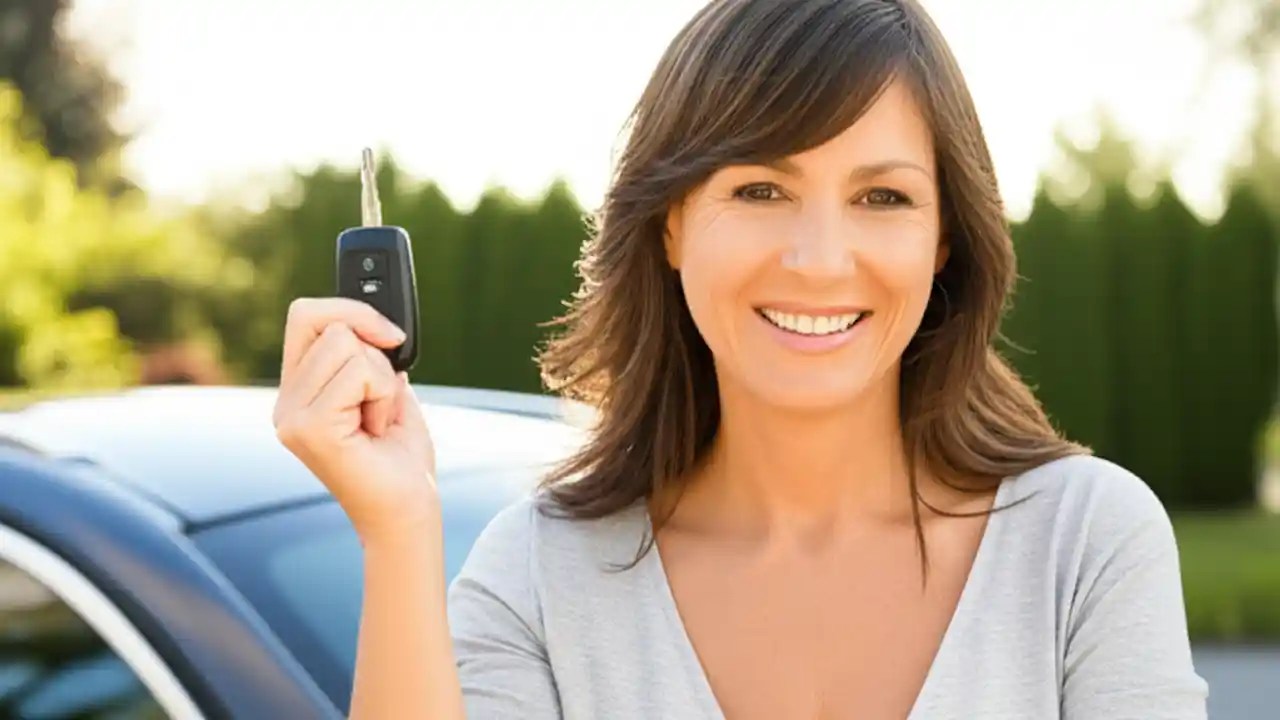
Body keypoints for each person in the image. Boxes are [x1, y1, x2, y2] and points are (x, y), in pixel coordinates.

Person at [272, 0, 1210, 717]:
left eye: (882, 199)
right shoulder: (539, 574)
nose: (818, 259)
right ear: (672, 223)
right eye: (761, 188)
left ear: (945, 242)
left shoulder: (1084, 545)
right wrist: (397, 531)